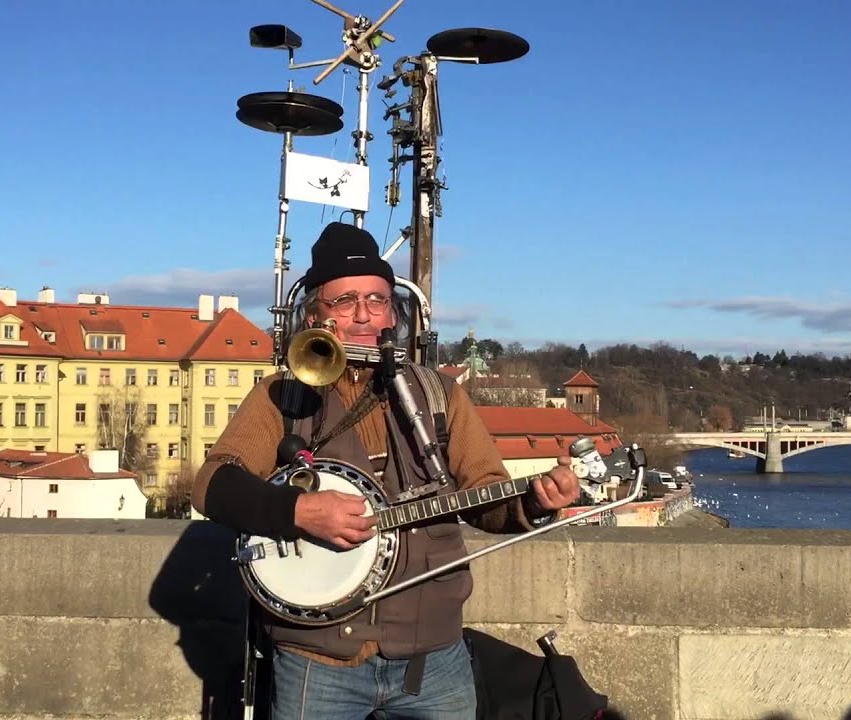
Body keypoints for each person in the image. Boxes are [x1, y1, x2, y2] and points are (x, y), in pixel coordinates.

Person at [192, 221, 581, 719]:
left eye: (376, 300)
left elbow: (486, 494)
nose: (362, 316)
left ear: (392, 314)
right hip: (317, 661)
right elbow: (212, 484)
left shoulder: (440, 394)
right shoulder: (281, 395)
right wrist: (297, 511)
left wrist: (534, 501)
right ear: (316, 316)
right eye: (344, 301)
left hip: (432, 661)